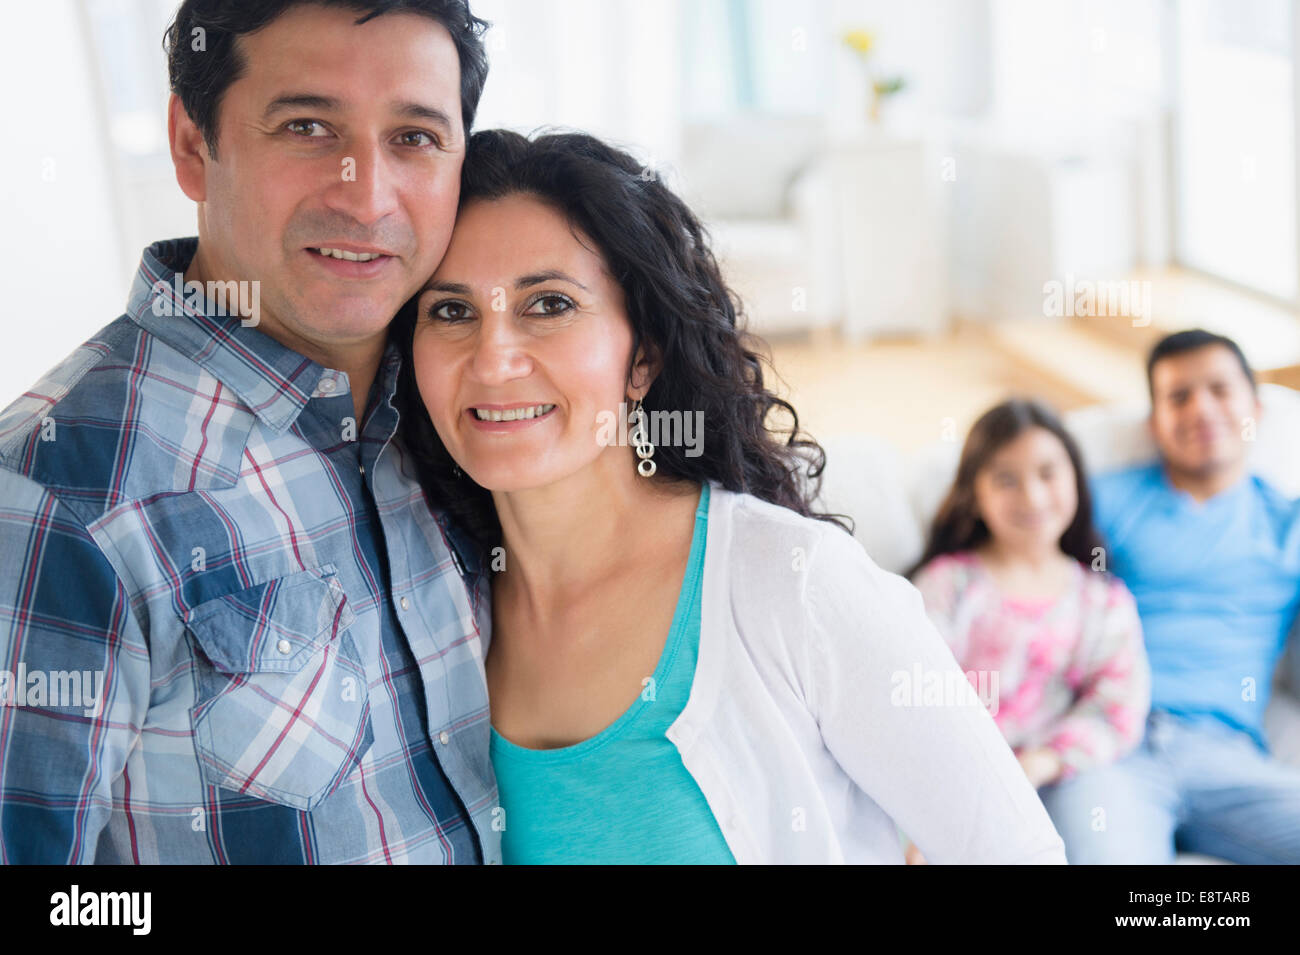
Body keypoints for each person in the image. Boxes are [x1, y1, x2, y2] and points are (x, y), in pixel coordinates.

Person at [394, 129, 1068, 864]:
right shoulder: (432, 606)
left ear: (642, 358)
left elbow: (1018, 850)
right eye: (451, 311)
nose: (493, 359)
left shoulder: (795, 584)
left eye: (549, 304)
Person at [0, 0, 499, 863]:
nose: (368, 194)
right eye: (307, 125)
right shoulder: (54, 492)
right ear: (194, 145)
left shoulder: (467, 413)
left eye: (415, 137)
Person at [1039, 329, 1300, 864]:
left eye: (1219, 390)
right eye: (1179, 396)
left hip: (1228, 757)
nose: (1201, 409)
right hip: (1112, 744)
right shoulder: (1102, 501)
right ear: (1155, 423)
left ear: (1256, 407)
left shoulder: (1287, 524)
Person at [907, 399, 1151, 862]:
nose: (1033, 497)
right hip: (956, 779)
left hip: (1058, 775)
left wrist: (1040, 764)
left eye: (1047, 473)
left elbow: (1117, 709)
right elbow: (916, 697)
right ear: (973, 493)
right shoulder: (947, 584)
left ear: (1076, 478)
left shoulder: (1103, 600)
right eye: (1006, 479)